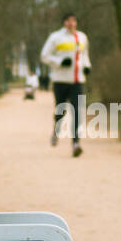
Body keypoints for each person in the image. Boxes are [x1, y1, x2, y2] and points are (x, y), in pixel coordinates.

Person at [40, 12, 91, 157]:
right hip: (60, 80)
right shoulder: (55, 37)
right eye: (68, 21)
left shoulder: (82, 37)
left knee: (77, 112)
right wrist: (59, 62)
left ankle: (76, 143)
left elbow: (85, 54)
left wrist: (87, 66)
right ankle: (56, 132)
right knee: (60, 111)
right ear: (64, 23)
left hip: (77, 81)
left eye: (74, 21)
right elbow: (44, 55)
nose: (71, 23)